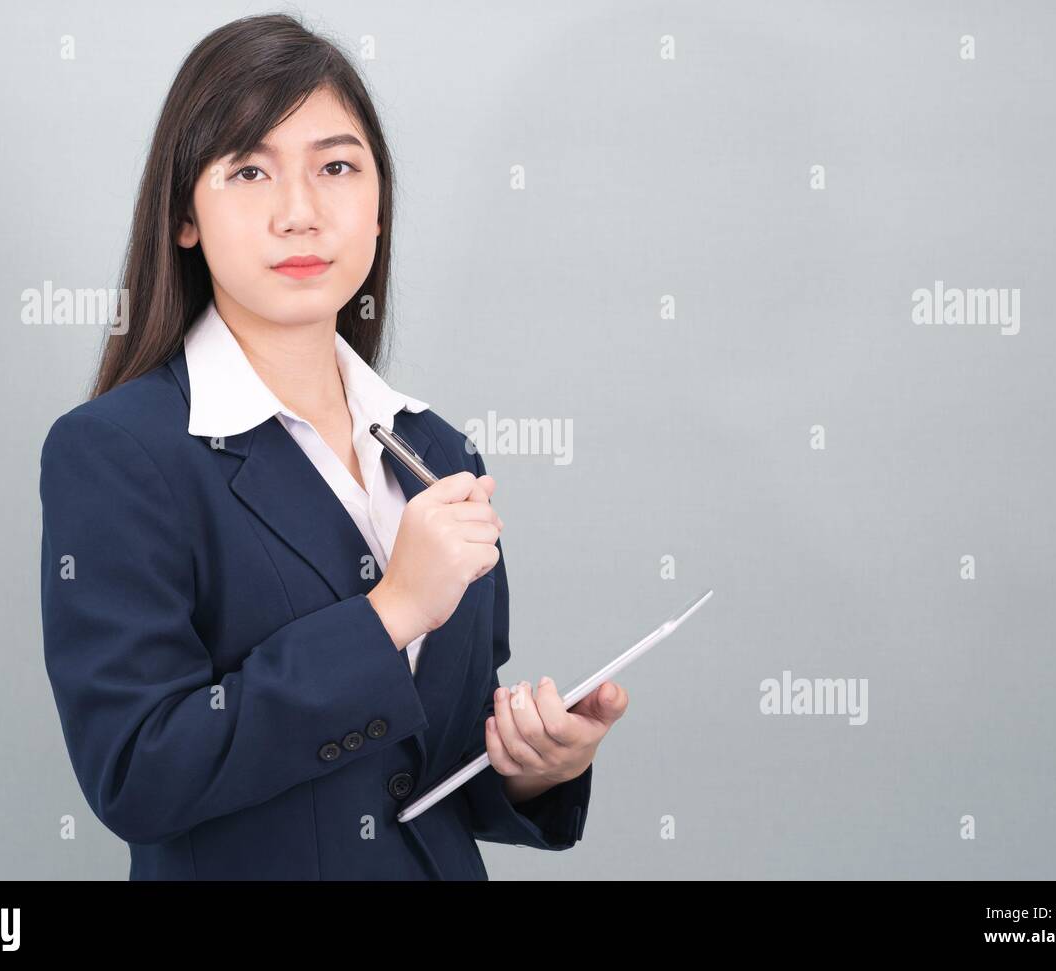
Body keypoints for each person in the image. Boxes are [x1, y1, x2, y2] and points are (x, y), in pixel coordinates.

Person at [38, 13, 628, 880]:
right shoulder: (115, 454)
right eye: (249, 170)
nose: (301, 213)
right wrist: (391, 612)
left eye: (338, 167)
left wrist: (536, 769)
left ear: (379, 206)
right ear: (184, 217)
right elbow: (137, 771)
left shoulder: (436, 449)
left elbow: (420, 762)